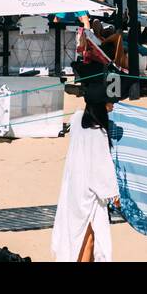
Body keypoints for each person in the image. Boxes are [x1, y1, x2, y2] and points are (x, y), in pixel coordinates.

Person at [52, 91, 119, 262]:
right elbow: (101, 167)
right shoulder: (99, 133)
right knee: (88, 238)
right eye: (109, 102)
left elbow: (79, 114)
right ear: (100, 105)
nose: (112, 105)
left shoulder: (77, 121)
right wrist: (113, 194)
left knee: (76, 234)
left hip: (74, 186)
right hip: (89, 194)